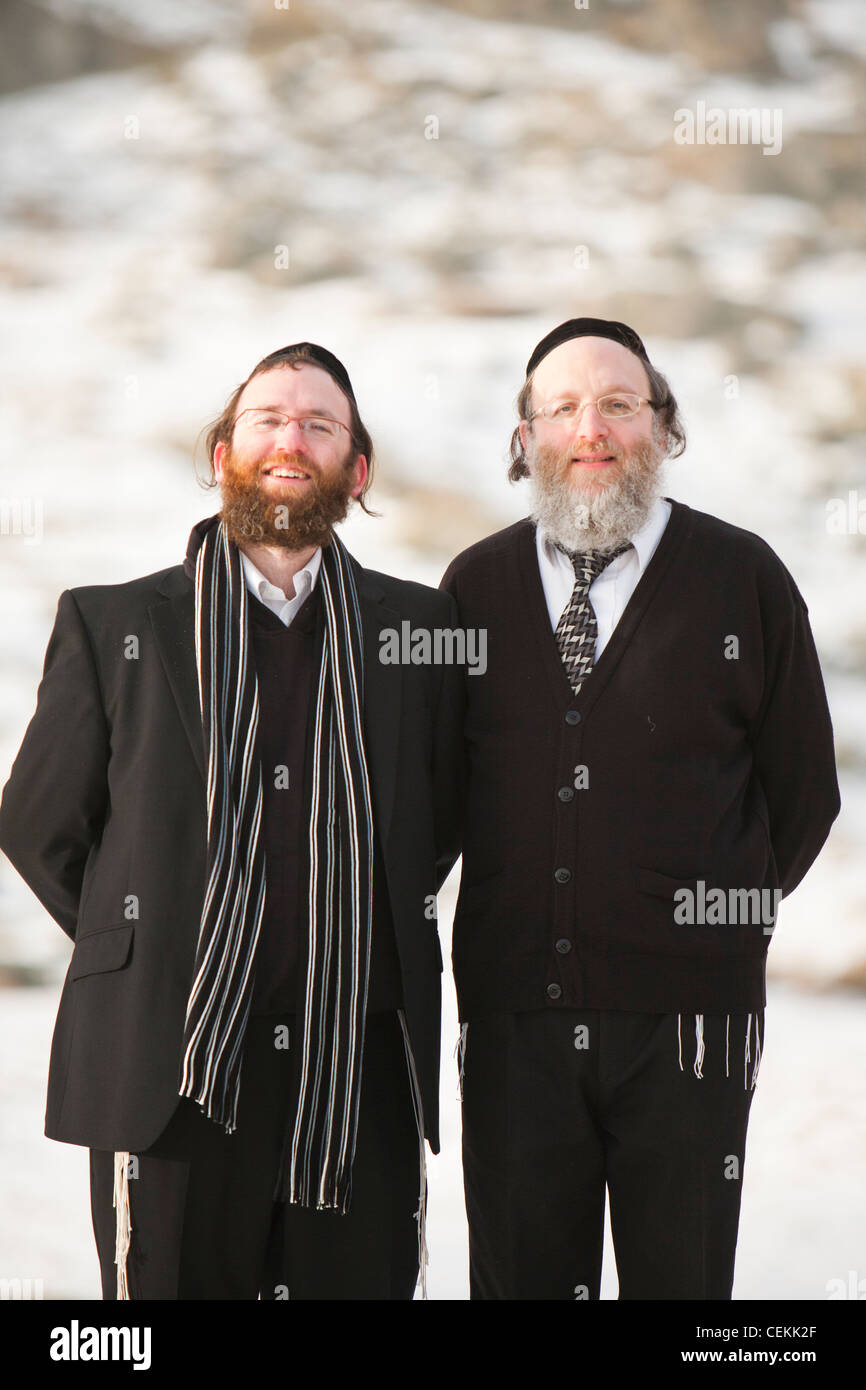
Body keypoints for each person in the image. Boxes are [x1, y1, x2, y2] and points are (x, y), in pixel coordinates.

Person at [0, 342, 463, 1300]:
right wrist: (146, 936)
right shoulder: (113, 624)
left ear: (357, 469)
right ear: (223, 455)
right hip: (169, 1080)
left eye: (319, 425)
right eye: (267, 420)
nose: (290, 440)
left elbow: (438, 819)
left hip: (359, 1076)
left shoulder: (416, 635)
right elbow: (41, 822)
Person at [440, 317, 840, 1300]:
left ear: (662, 427)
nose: (592, 428)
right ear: (524, 435)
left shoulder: (742, 579)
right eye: (562, 407)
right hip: (513, 1024)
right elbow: (434, 791)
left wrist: (705, 920)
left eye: (619, 403)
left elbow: (802, 795)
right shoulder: (469, 589)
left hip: (690, 1027)